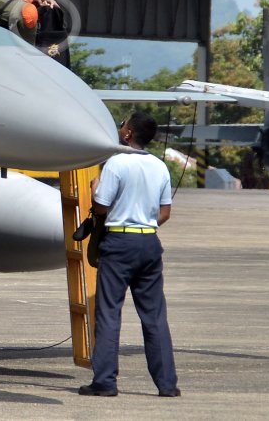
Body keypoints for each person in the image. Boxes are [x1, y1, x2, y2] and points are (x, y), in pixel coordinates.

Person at [80, 111, 181, 398]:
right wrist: (143, 224)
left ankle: (105, 381)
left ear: (127, 134)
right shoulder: (160, 167)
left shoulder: (116, 164)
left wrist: (94, 188)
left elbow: (100, 207)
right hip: (149, 242)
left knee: (109, 312)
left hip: (119, 243)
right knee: (154, 316)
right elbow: (165, 212)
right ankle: (167, 384)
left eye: (122, 124)